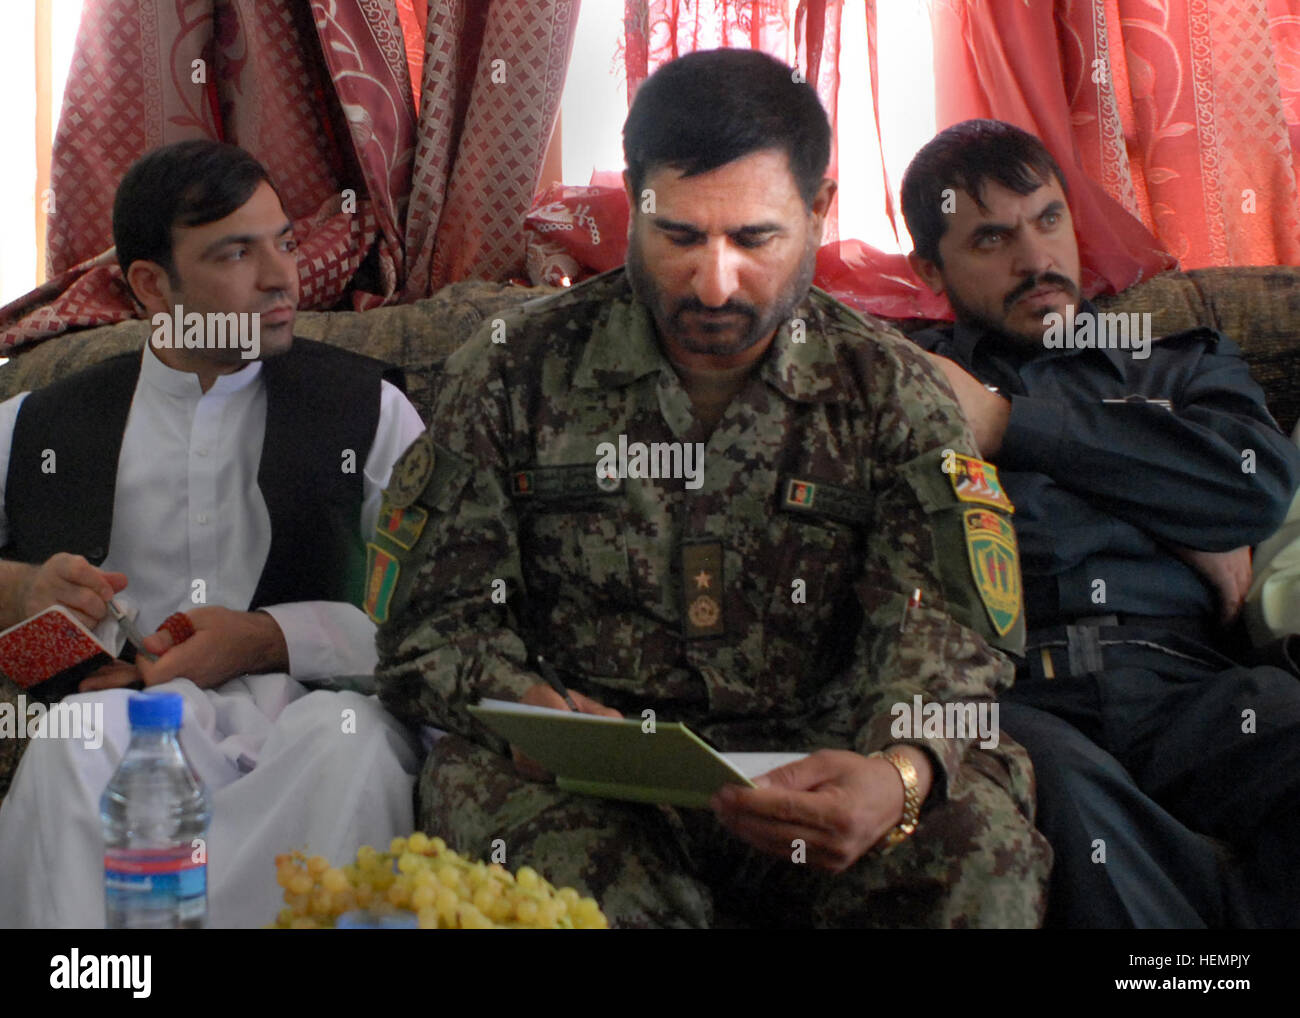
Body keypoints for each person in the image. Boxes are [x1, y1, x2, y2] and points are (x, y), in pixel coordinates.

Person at [370, 49, 1050, 929]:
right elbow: (428, 625)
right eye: (679, 236)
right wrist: (523, 704)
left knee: (976, 843)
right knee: (526, 846)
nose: (714, 282)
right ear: (632, 206)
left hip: (829, 767)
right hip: (589, 784)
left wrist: (902, 774)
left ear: (817, 212)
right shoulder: (509, 373)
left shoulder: (894, 393)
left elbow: (954, 634)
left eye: (755, 239)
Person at [0, 140, 426, 927]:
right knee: (70, 739)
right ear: (153, 286)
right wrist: (22, 586)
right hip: (133, 723)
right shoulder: (40, 423)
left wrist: (269, 639)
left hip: (317, 715)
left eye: (286, 243)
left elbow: (444, 616)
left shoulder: (369, 412)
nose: (281, 278)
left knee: (352, 748)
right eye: (236, 252)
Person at [902, 119, 1300, 928]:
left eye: (1049, 219)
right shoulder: (911, 378)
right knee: (1069, 803)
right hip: (1018, 696)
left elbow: (1251, 492)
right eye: (991, 239)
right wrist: (1169, 501)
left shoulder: (1179, 361)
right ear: (929, 268)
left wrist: (1009, 428)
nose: (1035, 259)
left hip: (1184, 686)